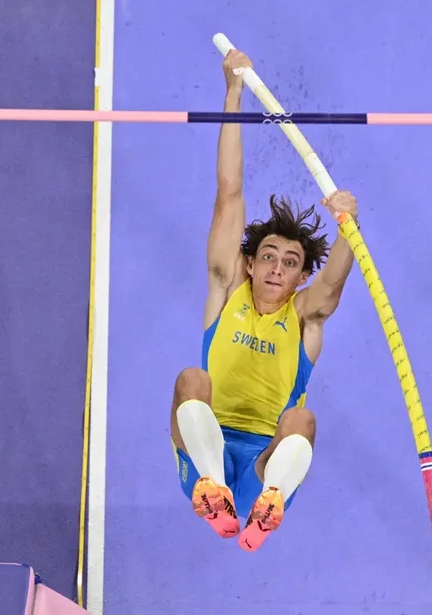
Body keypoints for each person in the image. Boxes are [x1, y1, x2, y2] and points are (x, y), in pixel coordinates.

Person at [169, 47, 357, 552]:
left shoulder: (305, 318)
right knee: (192, 380)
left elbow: (333, 288)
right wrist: (232, 92)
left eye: (290, 262)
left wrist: (347, 228)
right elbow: (228, 193)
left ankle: (263, 508)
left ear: (300, 276)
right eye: (267, 256)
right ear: (248, 263)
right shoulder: (226, 289)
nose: (276, 267)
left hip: (266, 463)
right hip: (208, 442)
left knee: (302, 421)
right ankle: (212, 490)